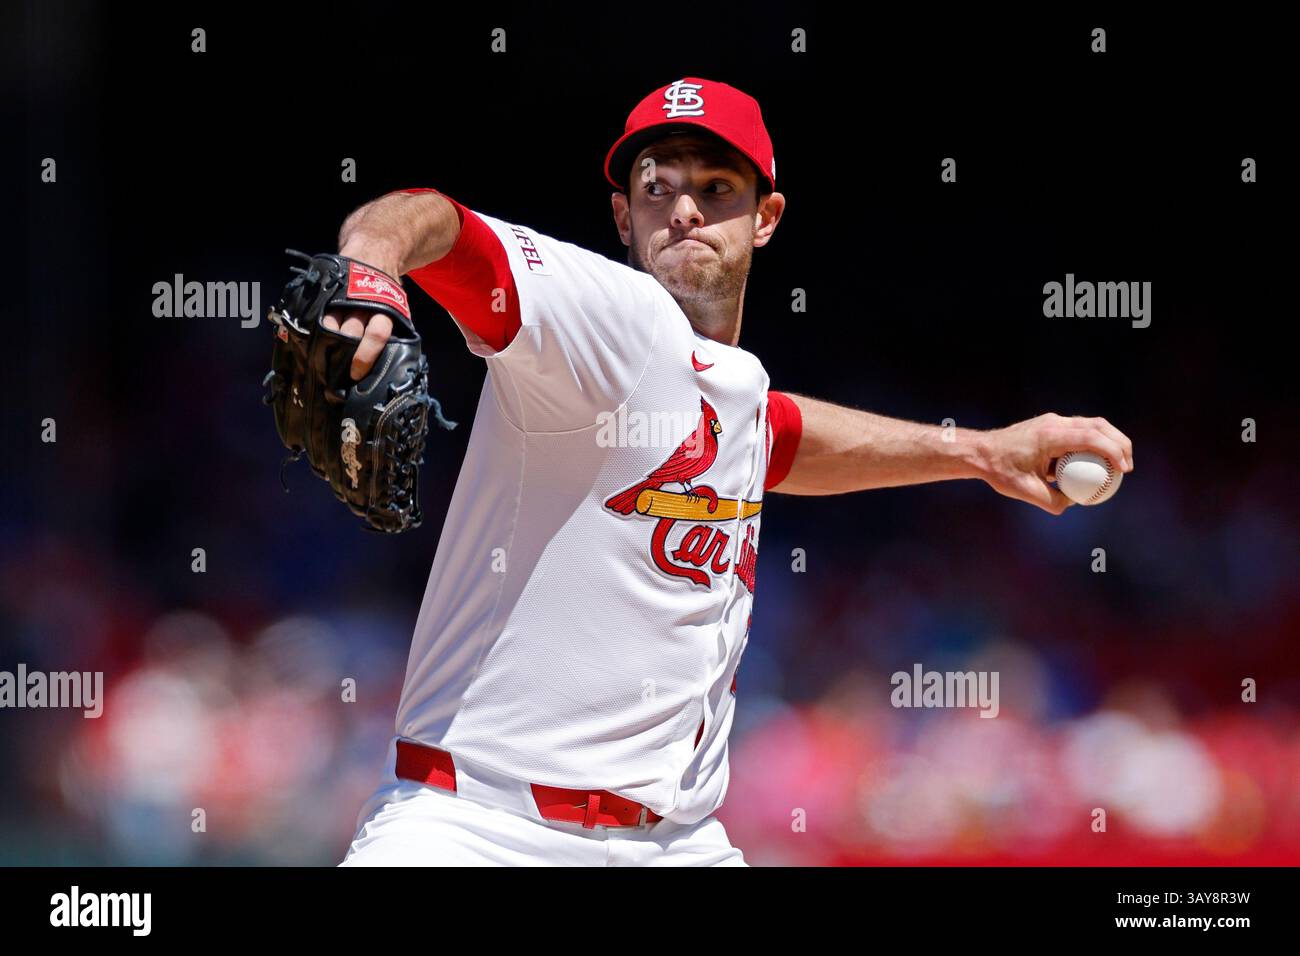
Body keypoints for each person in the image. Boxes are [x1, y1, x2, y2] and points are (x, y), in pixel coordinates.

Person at [335, 77, 1133, 866]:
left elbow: (776, 435)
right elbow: (436, 219)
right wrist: (370, 270)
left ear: (766, 219)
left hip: (675, 842)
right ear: (624, 215)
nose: (684, 208)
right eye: (658, 187)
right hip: (481, 828)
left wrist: (981, 451)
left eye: (716, 188)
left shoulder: (732, 390)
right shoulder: (604, 313)